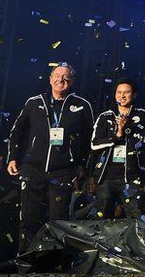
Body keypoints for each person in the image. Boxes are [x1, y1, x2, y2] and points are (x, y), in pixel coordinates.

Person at [7, 64, 94, 252]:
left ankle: (55, 264)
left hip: (63, 171)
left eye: (65, 77)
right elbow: (17, 131)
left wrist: (82, 165)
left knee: (59, 220)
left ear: (72, 81)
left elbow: (89, 139)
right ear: (50, 78)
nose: (60, 80)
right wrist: (13, 157)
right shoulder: (34, 102)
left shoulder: (81, 105)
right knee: (28, 217)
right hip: (33, 168)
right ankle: (24, 262)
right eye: (57, 75)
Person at [88, 78, 145, 220]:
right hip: (106, 176)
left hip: (131, 176)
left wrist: (126, 128)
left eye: (126, 92)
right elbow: (94, 144)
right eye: (119, 92)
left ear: (134, 94)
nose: (122, 96)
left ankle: (132, 242)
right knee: (103, 219)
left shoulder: (142, 115)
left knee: (136, 218)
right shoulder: (105, 117)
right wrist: (116, 137)